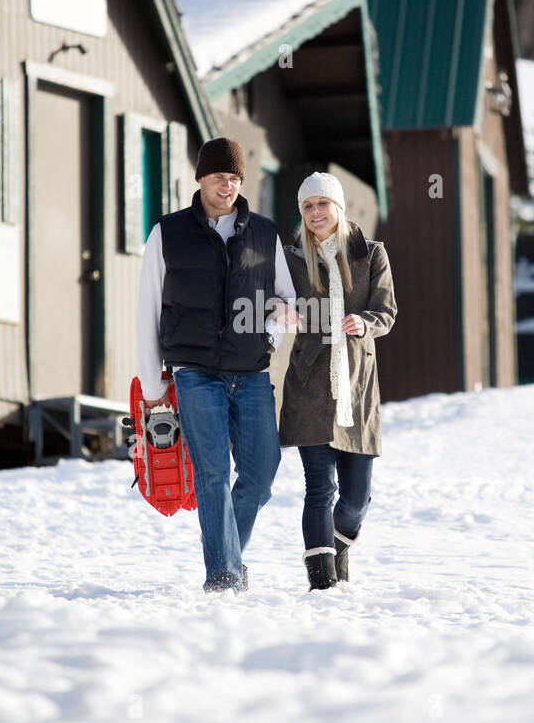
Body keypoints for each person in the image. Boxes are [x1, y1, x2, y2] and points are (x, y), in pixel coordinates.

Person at [135, 137, 298, 593]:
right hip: (193, 371)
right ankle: (223, 577)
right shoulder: (167, 233)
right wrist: (152, 386)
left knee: (261, 473)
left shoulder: (265, 234)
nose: (226, 186)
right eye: (218, 177)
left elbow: (285, 300)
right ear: (201, 179)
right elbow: (146, 309)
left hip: (251, 373)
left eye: (234, 178)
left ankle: (231, 556)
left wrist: (269, 335)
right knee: (211, 473)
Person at [278, 173, 397, 590]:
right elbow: (271, 294)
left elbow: (386, 312)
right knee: (319, 489)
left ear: (338, 208)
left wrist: (364, 323)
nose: (314, 213)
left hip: (356, 388)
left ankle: (338, 545)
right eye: (307, 207)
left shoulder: (371, 254)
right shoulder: (292, 258)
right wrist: (278, 309)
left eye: (321, 204)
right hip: (309, 384)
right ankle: (322, 584)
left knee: (356, 499)